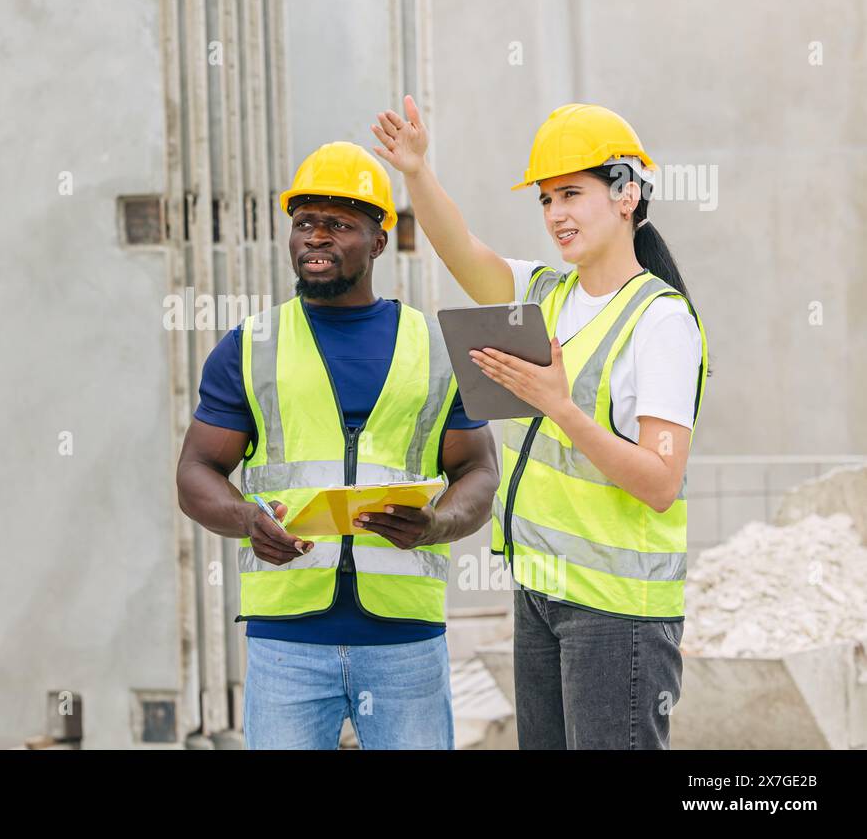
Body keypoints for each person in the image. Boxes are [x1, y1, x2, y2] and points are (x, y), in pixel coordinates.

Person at [371, 98, 709, 749]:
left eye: (572, 194)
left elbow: (660, 481)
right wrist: (416, 172)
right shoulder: (545, 295)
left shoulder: (660, 322)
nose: (556, 214)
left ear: (626, 194)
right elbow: (465, 254)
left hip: (617, 613)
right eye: (546, 200)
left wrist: (559, 405)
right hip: (540, 593)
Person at [175, 141, 499, 750]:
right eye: (304, 224)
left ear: (378, 242)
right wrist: (247, 518)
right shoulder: (252, 344)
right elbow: (197, 470)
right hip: (287, 643)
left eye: (339, 224)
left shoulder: (435, 347)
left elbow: (479, 471)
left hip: (405, 642)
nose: (315, 238)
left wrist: (436, 524)